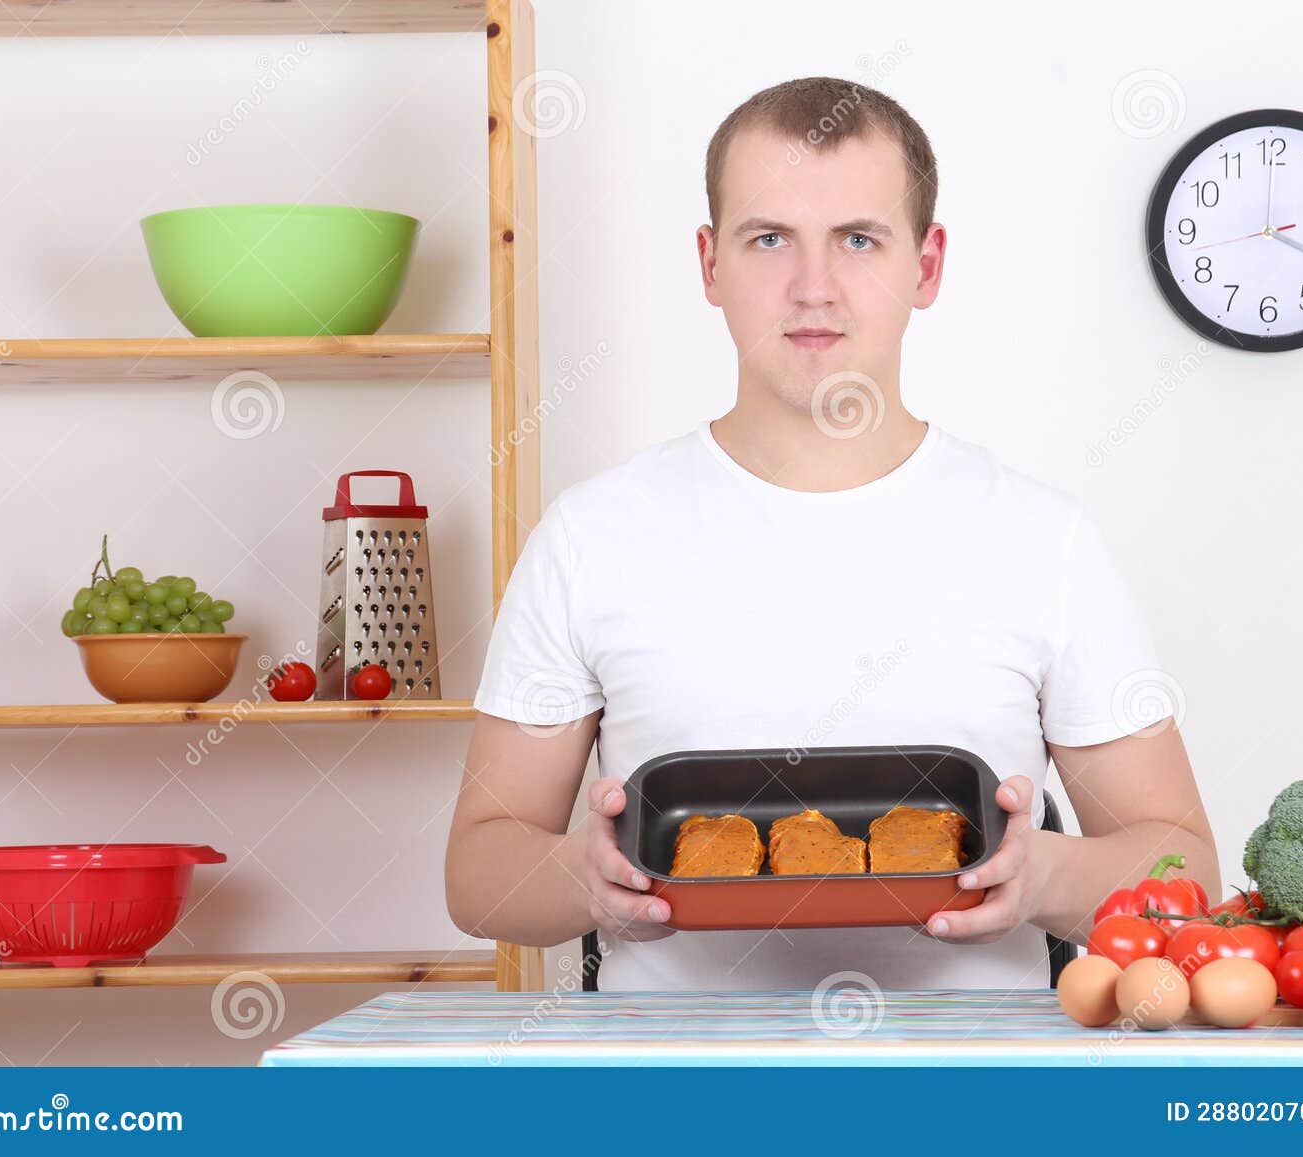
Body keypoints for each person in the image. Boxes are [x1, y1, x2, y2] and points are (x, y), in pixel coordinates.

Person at [446, 76, 1218, 990]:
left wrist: (1046, 874)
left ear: (926, 265)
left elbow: (1187, 870)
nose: (813, 288)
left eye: (860, 239)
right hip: (669, 1088)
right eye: (768, 239)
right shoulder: (589, 536)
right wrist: (581, 877)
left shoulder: (1046, 541)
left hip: (976, 1089)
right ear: (709, 264)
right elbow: (477, 873)